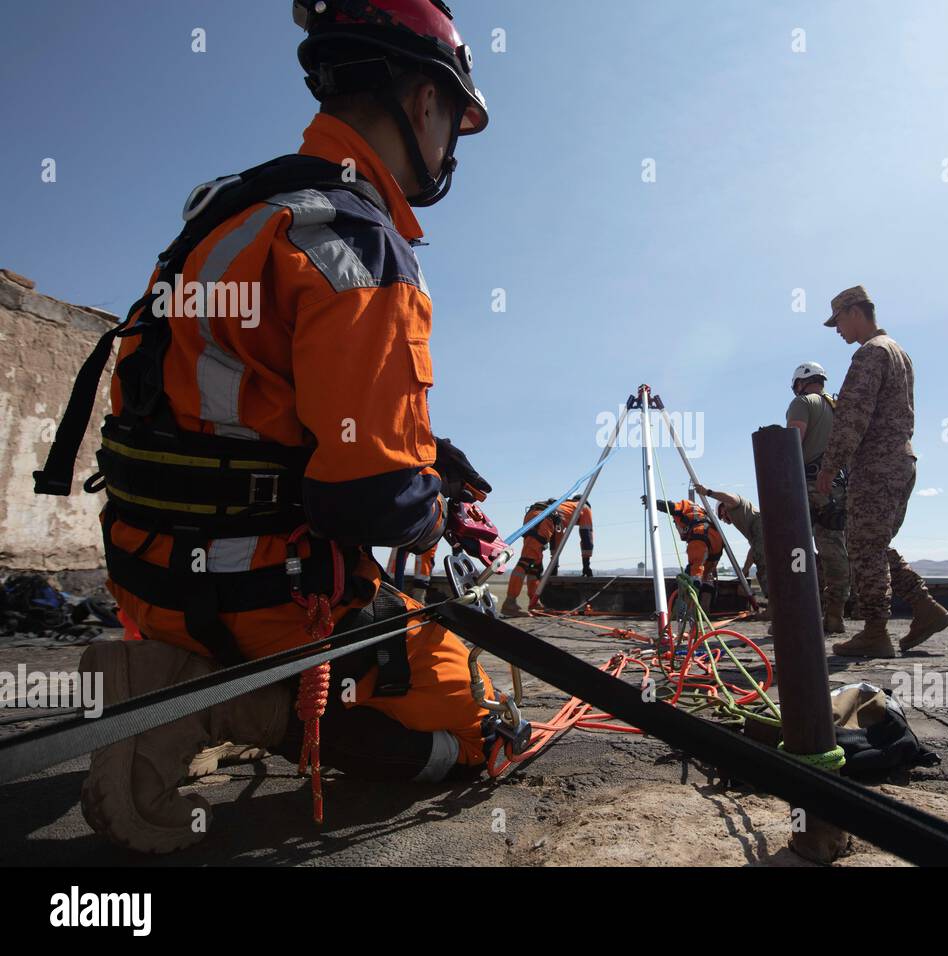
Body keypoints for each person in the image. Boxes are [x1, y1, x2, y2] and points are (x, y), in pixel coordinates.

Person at [51, 0, 498, 852]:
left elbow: (239, 408)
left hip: (145, 576)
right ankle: (215, 699)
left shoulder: (234, 212)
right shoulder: (358, 240)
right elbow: (373, 501)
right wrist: (435, 497)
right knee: (470, 722)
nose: (448, 148)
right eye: (453, 122)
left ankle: (184, 675)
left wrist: (421, 454)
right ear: (426, 102)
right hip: (258, 595)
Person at [816, 286, 948, 658]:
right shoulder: (898, 351)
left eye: (839, 322)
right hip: (898, 461)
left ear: (855, 312)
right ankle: (925, 609)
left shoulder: (870, 353)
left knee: (862, 545)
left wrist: (830, 466)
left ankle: (876, 632)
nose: (838, 330)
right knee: (871, 543)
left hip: (877, 465)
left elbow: (853, 416)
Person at [785, 362, 852, 634]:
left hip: (809, 486)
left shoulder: (802, 402)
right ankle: (835, 613)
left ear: (800, 382)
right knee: (834, 549)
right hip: (837, 486)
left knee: (793, 548)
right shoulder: (837, 407)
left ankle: (794, 612)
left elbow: (792, 442)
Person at [501, 496, 594, 616]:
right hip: (543, 519)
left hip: (536, 515)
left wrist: (554, 564)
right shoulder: (584, 507)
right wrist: (586, 565)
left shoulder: (563, 508)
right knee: (526, 561)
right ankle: (510, 603)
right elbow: (587, 537)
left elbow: (557, 541)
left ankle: (535, 604)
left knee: (535, 565)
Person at [647, 496, 724, 614]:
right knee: (706, 576)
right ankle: (704, 612)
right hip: (716, 540)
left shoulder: (684, 509)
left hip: (700, 535)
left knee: (692, 577)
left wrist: (653, 502)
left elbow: (671, 506)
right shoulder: (700, 510)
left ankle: (685, 612)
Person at [695, 486, 767, 609]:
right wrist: (744, 571)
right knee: (762, 568)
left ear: (723, 508)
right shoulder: (747, 526)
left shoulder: (735, 505)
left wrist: (708, 492)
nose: (723, 521)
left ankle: (773, 608)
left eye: (720, 516)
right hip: (761, 533)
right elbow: (753, 551)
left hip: (762, 527)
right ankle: (774, 604)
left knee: (764, 566)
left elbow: (730, 498)